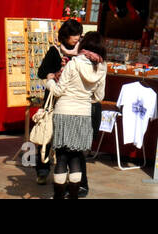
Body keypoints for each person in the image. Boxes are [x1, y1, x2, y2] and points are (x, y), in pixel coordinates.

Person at [43, 31, 106, 199]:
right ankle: (73, 196)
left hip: (64, 113)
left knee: (62, 157)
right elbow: (99, 97)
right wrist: (85, 98)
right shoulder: (102, 67)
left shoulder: (74, 63)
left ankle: (58, 196)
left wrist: (49, 81)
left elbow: (59, 90)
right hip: (83, 114)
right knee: (76, 157)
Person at [35, 19, 84, 186]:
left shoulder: (82, 54)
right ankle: (42, 170)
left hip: (71, 100)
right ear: (65, 35)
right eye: (74, 34)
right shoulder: (55, 51)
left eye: (79, 34)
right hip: (53, 100)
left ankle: (65, 171)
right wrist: (53, 74)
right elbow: (41, 72)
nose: (77, 38)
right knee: (47, 134)